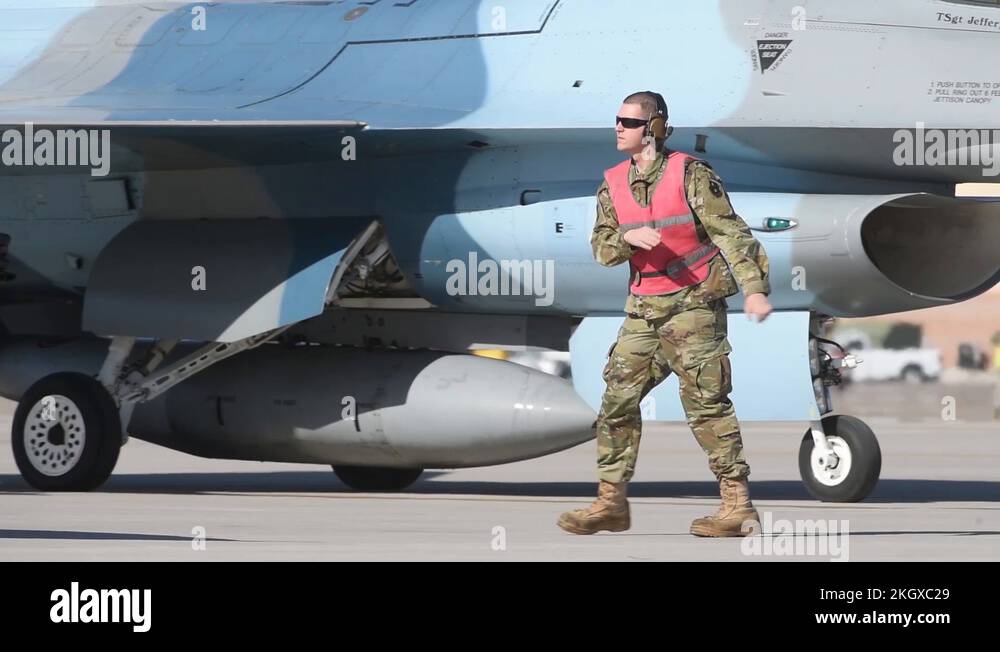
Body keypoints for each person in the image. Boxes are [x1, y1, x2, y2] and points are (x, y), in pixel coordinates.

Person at [557, 91, 773, 537]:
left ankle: (737, 505)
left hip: (694, 304)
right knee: (617, 398)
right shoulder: (613, 183)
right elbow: (601, 249)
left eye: (629, 122)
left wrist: (754, 289)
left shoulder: (691, 175)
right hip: (643, 310)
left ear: (654, 128)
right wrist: (627, 239)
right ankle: (611, 502)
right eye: (616, 120)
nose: (619, 128)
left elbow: (732, 233)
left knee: (705, 404)